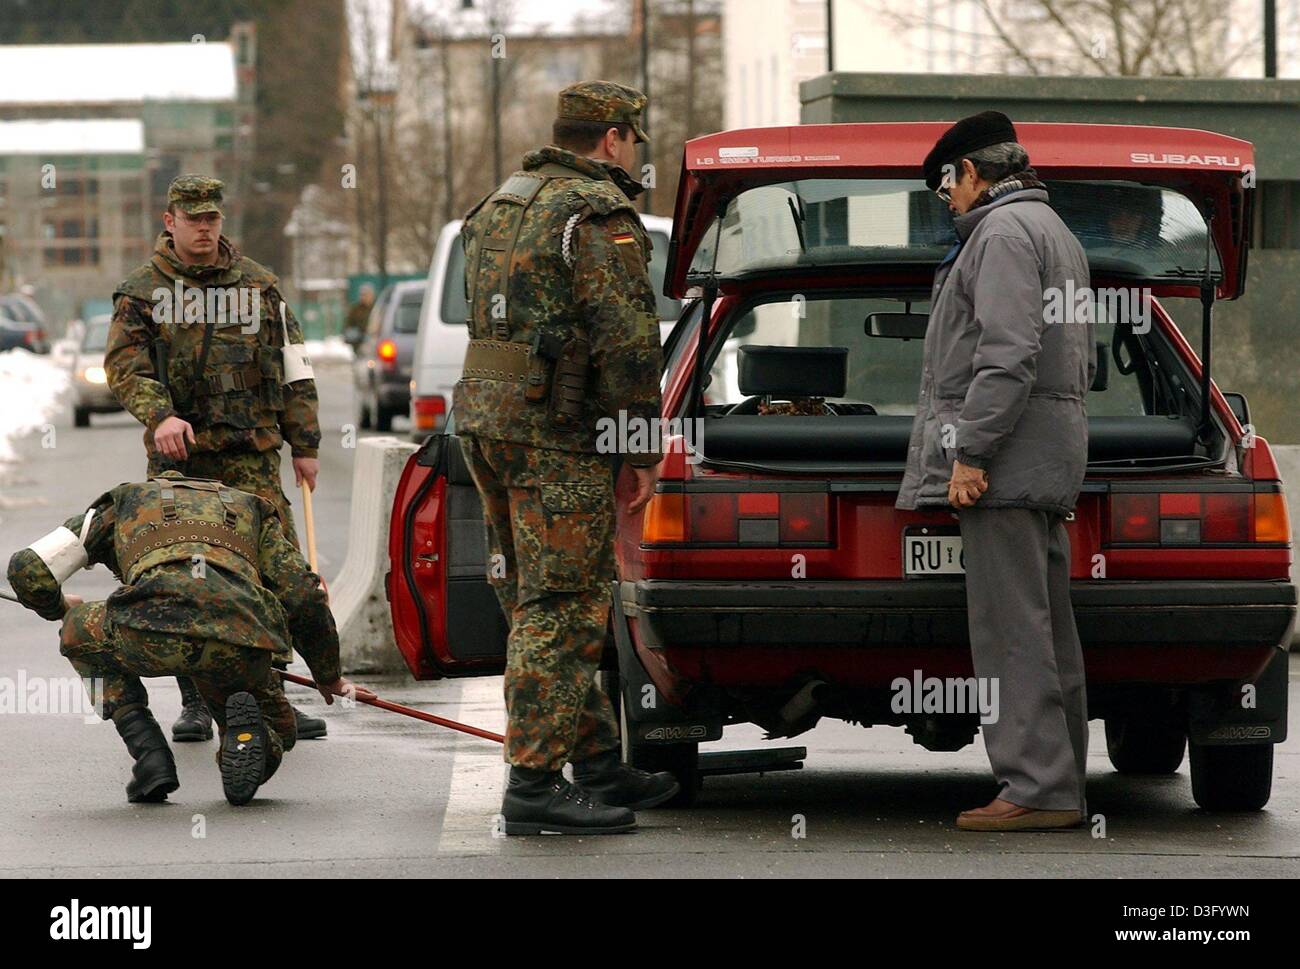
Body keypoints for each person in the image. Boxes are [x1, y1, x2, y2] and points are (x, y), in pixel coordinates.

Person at [456, 80, 678, 835]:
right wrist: (639, 444)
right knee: (566, 602)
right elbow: (625, 338)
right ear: (612, 138)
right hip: (555, 435)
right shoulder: (597, 214)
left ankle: (595, 760)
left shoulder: (497, 204)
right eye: (629, 142)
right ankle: (535, 783)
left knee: (532, 592)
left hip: (487, 420)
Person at [897, 111, 1095, 832]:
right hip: (1044, 454)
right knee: (1045, 628)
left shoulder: (1003, 236)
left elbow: (1007, 354)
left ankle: (1036, 788)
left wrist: (971, 452)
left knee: (1010, 629)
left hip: (1006, 461)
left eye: (947, 183)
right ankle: (1062, 780)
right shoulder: (1054, 231)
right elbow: (1078, 357)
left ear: (974, 174)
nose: (946, 199)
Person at [104, 174, 327, 744]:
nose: (203, 228)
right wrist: (160, 416)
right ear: (169, 221)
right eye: (192, 218)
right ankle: (198, 702)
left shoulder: (259, 286)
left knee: (272, 577)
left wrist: (305, 444)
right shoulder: (143, 291)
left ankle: (271, 697)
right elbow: (126, 367)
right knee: (186, 579)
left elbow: (295, 365)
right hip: (184, 462)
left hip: (252, 457)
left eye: (211, 218)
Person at [5, 472, 374, 806]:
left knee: (77, 629)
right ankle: (247, 735)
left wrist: (59, 606)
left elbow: (28, 568)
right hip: (238, 638)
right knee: (278, 731)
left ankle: (149, 752)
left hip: (146, 630)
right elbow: (304, 595)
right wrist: (328, 676)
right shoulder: (251, 508)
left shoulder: (125, 503)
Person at [343, 284, 375, 350]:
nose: (364, 297)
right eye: (362, 295)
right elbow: (347, 326)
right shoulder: (355, 309)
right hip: (359, 342)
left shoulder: (377, 307)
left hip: (375, 340)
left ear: (372, 295)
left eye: (366, 294)